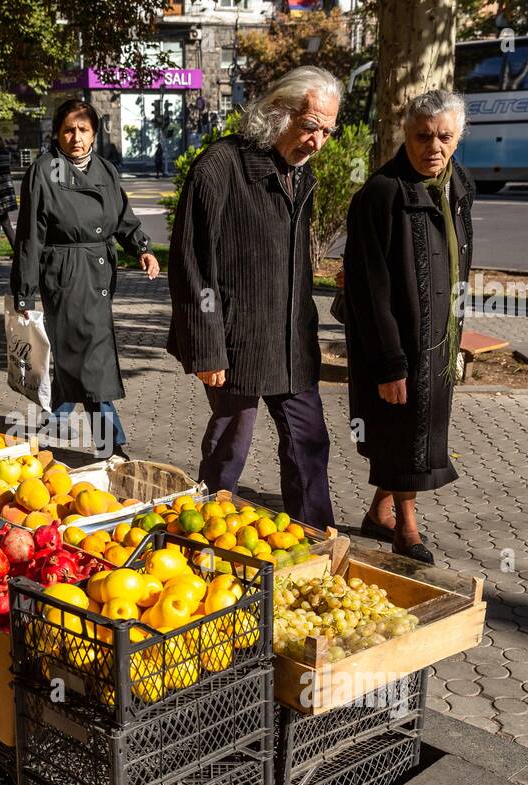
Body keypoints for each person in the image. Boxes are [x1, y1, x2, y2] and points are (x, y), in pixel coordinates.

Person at [167, 66, 341, 531]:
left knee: (309, 442)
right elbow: (190, 265)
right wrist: (205, 348)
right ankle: (204, 537)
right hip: (233, 341)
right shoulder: (221, 166)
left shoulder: (301, 176)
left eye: (328, 131)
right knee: (230, 447)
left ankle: (314, 543)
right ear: (279, 113)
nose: (318, 142)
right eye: (311, 127)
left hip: (289, 341)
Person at [342, 90, 473, 565]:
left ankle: (380, 511)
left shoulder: (458, 185)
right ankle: (407, 529)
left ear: (458, 139)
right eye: (422, 136)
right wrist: (389, 361)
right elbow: (367, 288)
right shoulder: (380, 194)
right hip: (394, 340)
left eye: (444, 136)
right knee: (402, 432)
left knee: (420, 431)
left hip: (438, 336)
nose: (433, 147)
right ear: (405, 135)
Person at [12, 99, 160, 459]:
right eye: (68, 130)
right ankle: (113, 447)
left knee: (75, 362)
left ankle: (44, 433)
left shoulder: (105, 170)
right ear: (57, 134)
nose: (76, 138)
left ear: (94, 132)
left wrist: (141, 246)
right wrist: (25, 295)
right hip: (65, 274)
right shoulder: (45, 171)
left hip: (99, 274)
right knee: (91, 361)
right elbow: (30, 236)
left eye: (83, 130)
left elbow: (122, 216)